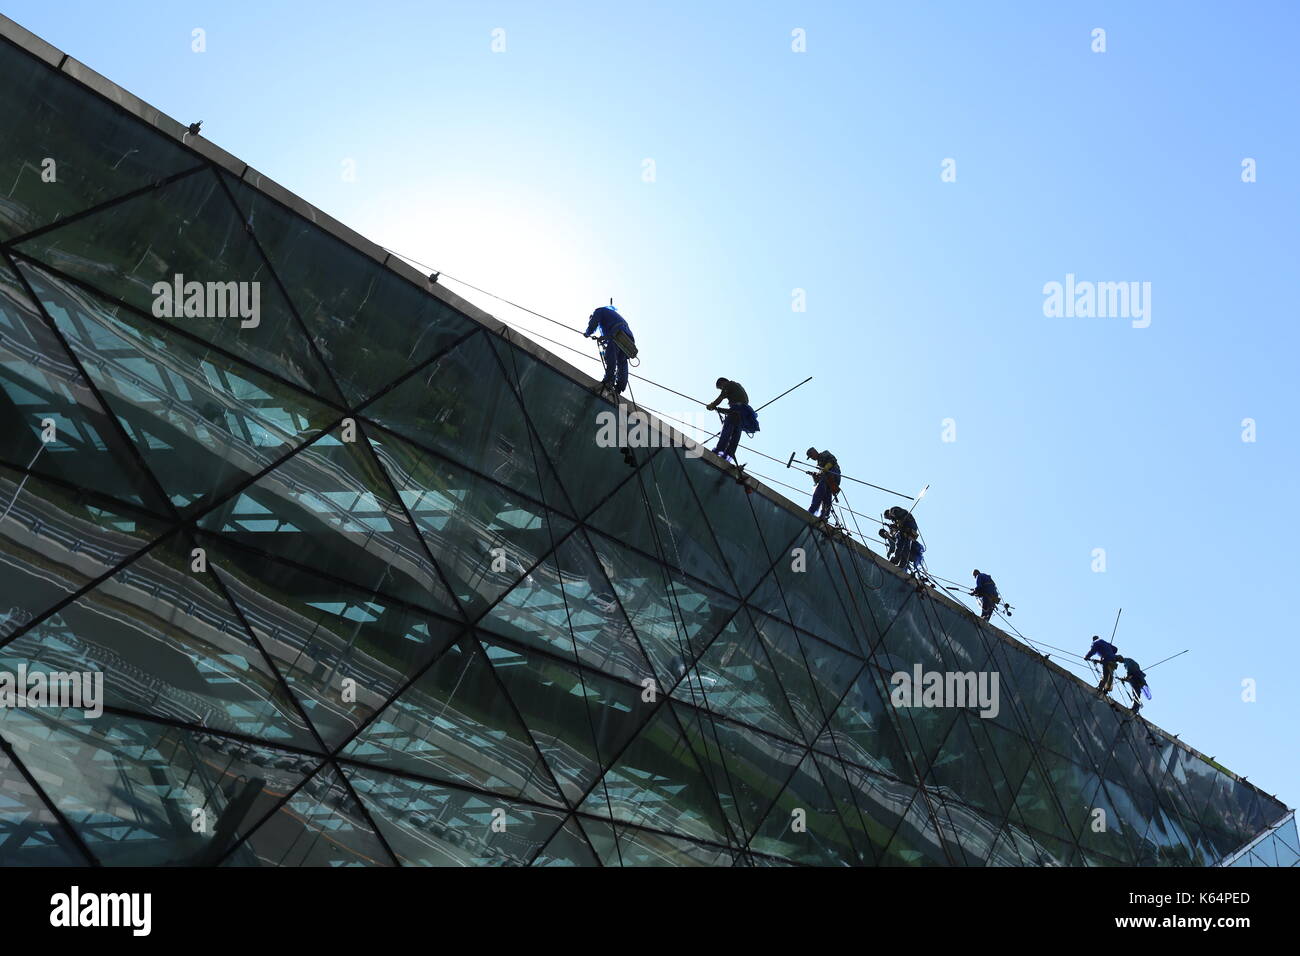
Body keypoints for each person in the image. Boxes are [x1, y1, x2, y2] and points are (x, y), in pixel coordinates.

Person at [584, 305, 635, 397]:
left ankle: (609, 380)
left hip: (617, 333)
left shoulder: (599, 311)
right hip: (628, 337)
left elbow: (593, 324)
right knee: (622, 361)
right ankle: (620, 386)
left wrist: (588, 332)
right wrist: (603, 339)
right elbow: (608, 334)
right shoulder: (610, 316)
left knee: (610, 355)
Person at [705, 378, 760, 462]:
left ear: (723, 382)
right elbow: (736, 407)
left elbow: (720, 398)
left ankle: (718, 451)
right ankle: (728, 457)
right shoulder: (737, 386)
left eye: (720, 387)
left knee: (726, 432)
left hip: (736, 413)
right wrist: (719, 409)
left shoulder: (728, 385)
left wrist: (712, 405)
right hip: (742, 416)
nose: (721, 389)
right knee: (735, 435)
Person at [881, 506, 922, 570]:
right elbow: (899, 525)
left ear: (888, 514)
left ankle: (895, 559)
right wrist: (894, 526)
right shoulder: (895, 516)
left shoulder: (892, 511)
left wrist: (898, 524)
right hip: (910, 530)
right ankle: (902, 563)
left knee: (899, 544)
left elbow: (900, 518)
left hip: (908, 527)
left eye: (888, 518)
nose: (890, 519)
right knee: (906, 547)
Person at [805, 447, 841, 522]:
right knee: (826, 495)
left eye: (811, 456)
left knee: (820, 490)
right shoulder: (820, 465)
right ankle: (824, 515)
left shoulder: (825, 453)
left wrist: (826, 468)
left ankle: (812, 510)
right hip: (828, 480)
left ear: (815, 452)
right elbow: (819, 478)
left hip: (834, 474)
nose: (812, 458)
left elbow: (833, 460)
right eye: (810, 457)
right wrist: (814, 475)